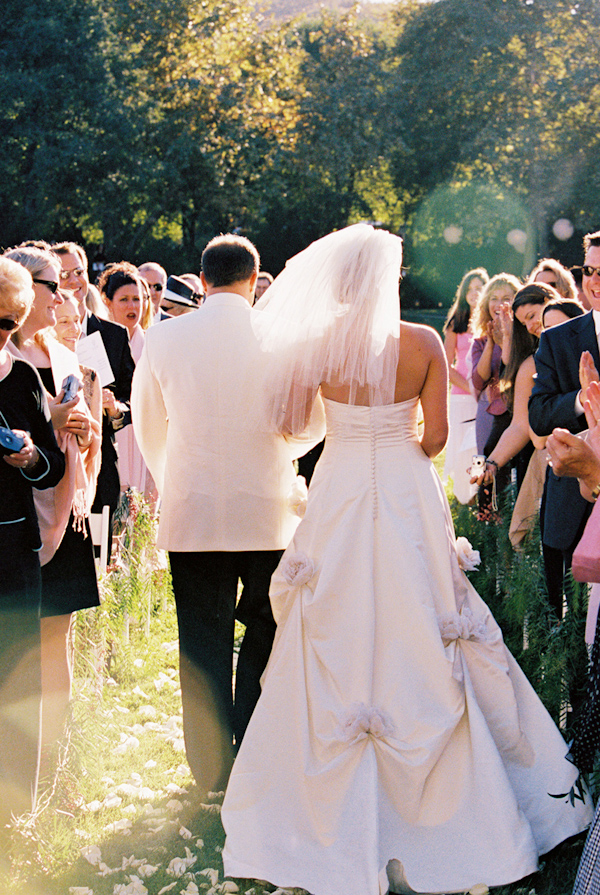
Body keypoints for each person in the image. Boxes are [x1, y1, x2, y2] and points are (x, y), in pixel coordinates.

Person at [221, 224, 592, 895]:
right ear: (387, 279)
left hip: (338, 491)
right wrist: (400, 439)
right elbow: (437, 439)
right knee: (423, 621)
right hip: (401, 492)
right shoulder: (420, 343)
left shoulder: (316, 348)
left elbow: (294, 423)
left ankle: (310, 818)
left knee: (333, 625)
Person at [132, 234, 325, 794]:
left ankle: (210, 768)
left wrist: (178, 480)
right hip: (267, 510)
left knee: (200, 638)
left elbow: (149, 425)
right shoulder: (279, 336)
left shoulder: (164, 336)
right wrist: (274, 455)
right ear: (252, 278)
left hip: (192, 510)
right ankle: (255, 739)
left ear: (204, 277)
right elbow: (310, 424)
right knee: (267, 629)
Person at [4, 246, 101, 757]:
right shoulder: (6, 360)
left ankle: (54, 756)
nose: (62, 295)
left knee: (54, 640)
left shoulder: (64, 355)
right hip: (18, 516)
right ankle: (18, 758)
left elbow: (83, 438)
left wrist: (81, 430)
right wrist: (50, 427)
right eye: (51, 284)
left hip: (66, 508)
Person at [0, 257, 65, 830]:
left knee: (19, 676)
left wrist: (29, 456)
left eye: (4, 321)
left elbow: (52, 470)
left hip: (13, 550)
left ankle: (18, 810)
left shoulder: (22, 380)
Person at [529, 230, 600, 616]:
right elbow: (537, 414)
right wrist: (580, 397)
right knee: (567, 616)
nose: (594, 281)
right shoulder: (558, 339)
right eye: (589, 270)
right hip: (571, 497)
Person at [54, 242, 135, 538]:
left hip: (100, 466)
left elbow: (133, 398)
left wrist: (115, 410)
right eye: (64, 275)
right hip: (55, 464)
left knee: (101, 553)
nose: (74, 281)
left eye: (79, 271)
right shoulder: (41, 334)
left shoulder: (113, 335)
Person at [98, 263, 155, 503]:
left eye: (137, 299)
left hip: (146, 438)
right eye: (124, 299)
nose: (132, 306)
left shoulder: (154, 343)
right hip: (112, 438)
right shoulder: (97, 342)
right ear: (107, 301)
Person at [443, 267, 488, 503]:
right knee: (462, 449)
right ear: (464, 293)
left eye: (479, 288)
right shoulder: (455, 324)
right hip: (461, 397)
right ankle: (463, 499)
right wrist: (470, 388)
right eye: (470, 289)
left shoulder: (489, 323)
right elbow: (446, 364)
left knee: (478, 448)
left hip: (485, 399)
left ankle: (479, 495)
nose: (474, 293)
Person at [469, 273, 521, 455]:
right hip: (488, 411)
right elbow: (478, 381)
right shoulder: (480, 342)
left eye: (506, 299)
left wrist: (506, 336)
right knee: (487, 465)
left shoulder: (523, 337)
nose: (499, 304)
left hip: (517, 411)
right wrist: (491, 342)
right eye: (494, 299)